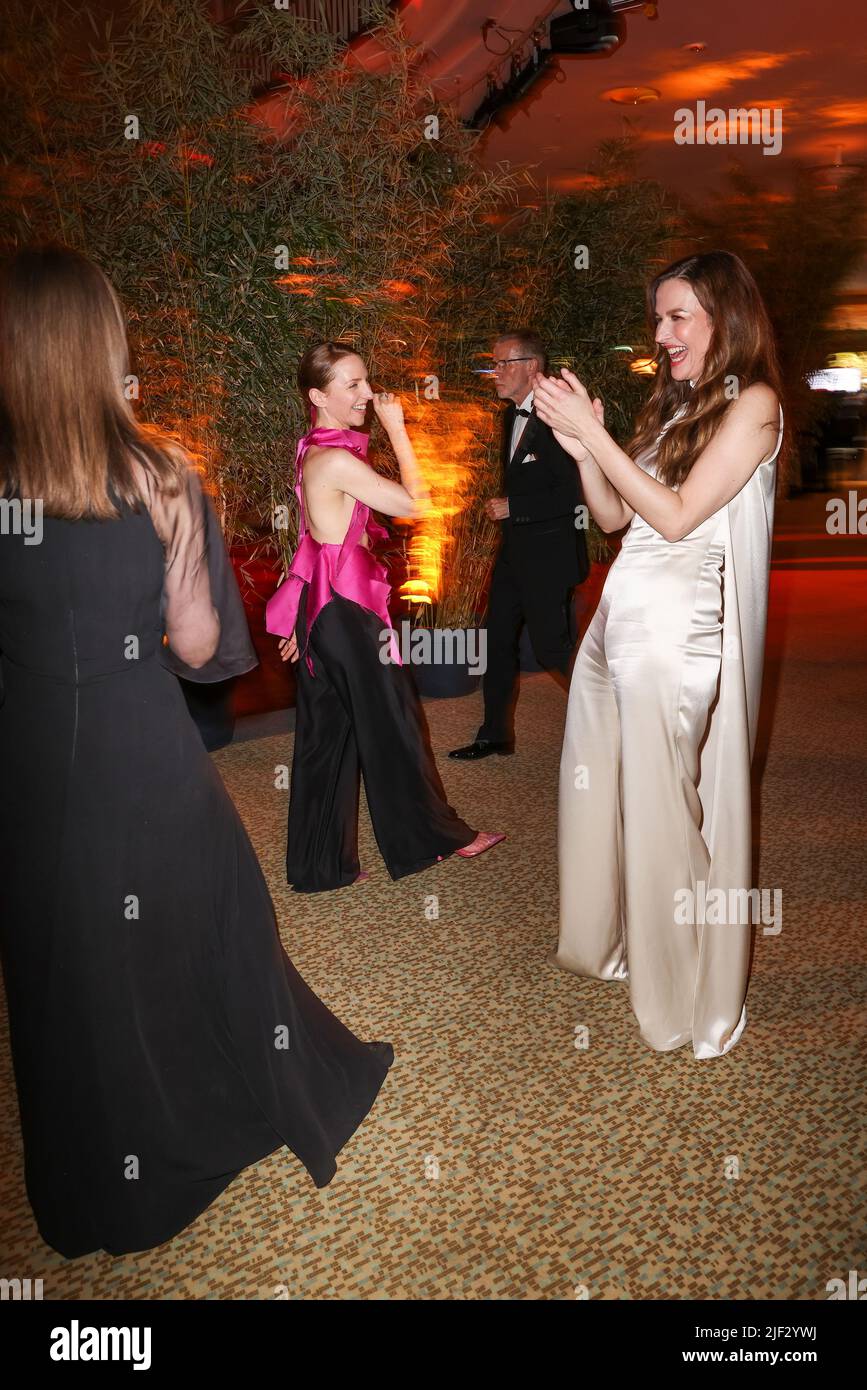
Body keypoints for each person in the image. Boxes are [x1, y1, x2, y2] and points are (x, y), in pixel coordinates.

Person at [0, 245, 393, 1259]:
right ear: (101, 345)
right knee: (208, 922)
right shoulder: (155, 475)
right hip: (141, 749)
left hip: (32, 762)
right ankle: (217, 1107)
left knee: (67, 957)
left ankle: (92, 1179)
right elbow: (203, 648)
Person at [533, 251, 784, 1058]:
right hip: (617, 623)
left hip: (675, 635)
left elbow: (676, 520)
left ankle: (684, 998)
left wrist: (594, 435)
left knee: (659, 809)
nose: (659, 331)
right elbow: (616, 518)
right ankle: (616, 943)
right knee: (601, 791)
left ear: (724, 316)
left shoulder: (755, 407)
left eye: (676, 316)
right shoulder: (674, 407)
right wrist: (582, 451)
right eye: (657, 317)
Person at [266, 341, 505, 893]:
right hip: (348, 614)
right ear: (317, 396)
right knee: (394, 724)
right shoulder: (336, 459)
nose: (368, 394)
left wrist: (302, 618)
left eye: (366, 381)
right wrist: (399, 427)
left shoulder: (312, 450)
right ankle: (436, 838)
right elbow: (415, 504)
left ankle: (319, 866)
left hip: (328, 610)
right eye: (352, 385)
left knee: (329, 734)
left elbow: (312, 541)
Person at [449, 330, 589, 761]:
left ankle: (613, 719)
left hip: (549, 555)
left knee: (552, 648)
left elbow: (578, 492)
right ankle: (495, 735)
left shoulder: (558, 417)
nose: (496, 373)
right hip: (513, 553)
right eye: (494, 364)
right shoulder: (509, 417)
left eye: (505, 364)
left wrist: (517, 507)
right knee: (496, 642)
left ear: (532, 367)